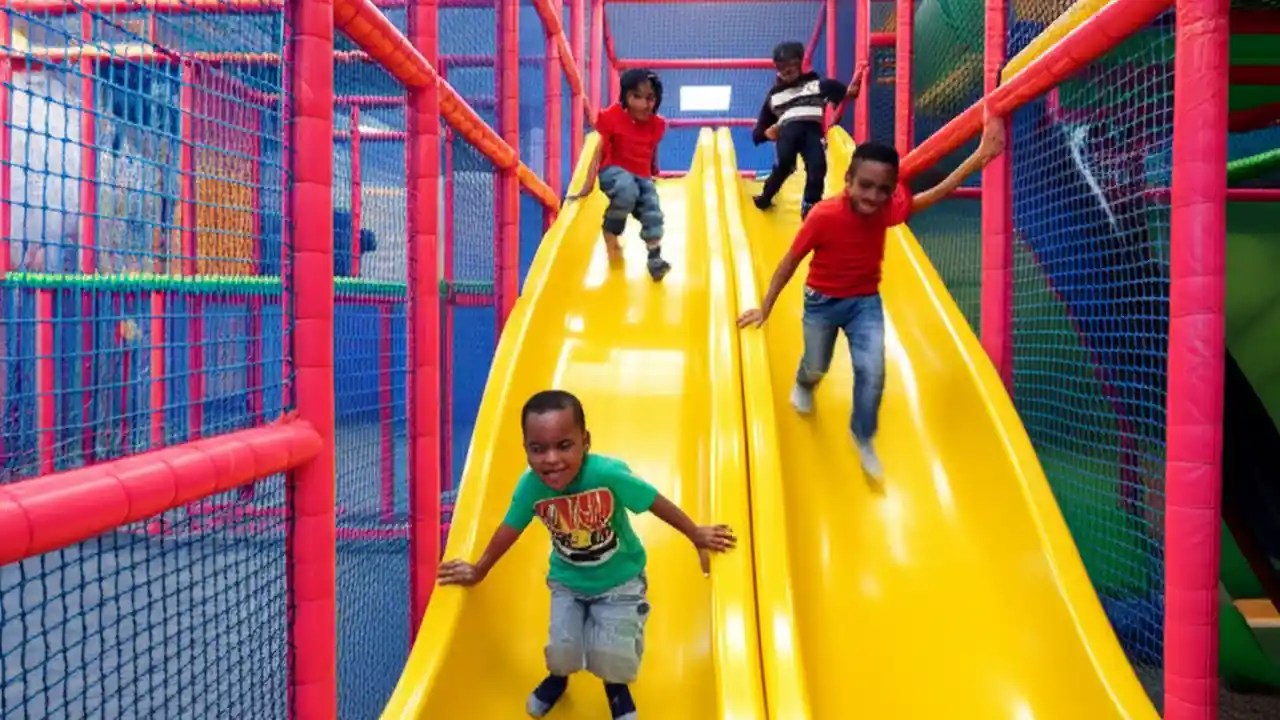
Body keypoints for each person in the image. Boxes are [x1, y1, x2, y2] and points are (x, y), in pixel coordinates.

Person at [737, 109, 1006, 481]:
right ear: (847, 180)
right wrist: (765, 305)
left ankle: (862, 435)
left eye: (883, 189)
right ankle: (804, 380)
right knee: (817, 363)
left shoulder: (886, 209)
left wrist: (978, 158)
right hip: (822, 301)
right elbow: (790, 261)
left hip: (865, 303)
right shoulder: (823, 217)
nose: (873, 196)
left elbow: (934, 194)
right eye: (865, 185)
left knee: (873, 370)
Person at [437, 389, 737, 719]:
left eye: (564, 445)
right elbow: (509, 529)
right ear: (526, 450)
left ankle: (616, 688)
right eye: (538, 449)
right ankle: (558, 679)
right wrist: (479, 569)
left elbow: (653, 501)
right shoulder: (531, 488)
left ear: (585, 442)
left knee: (613, 654)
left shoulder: (606, 476)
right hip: (568, 581)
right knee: (562, 650)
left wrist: (696, 534)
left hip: (620, 581)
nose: (551, 459)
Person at [567, 68, 671, 281]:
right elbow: (598, 151)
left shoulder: (656, 124)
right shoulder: (612, 116)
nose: (643, 104)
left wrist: (654, 172)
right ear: (625, 96)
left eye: (650, 98)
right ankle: (611, 226)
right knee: (626, 189)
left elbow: (652, 148)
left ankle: (654, 258)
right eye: (636, 97)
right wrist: (587, 185)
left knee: (652, 209)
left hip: (641, 174)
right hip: (613, 170)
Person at [751, 42, 863, 219]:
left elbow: (843, 93)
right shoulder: (775, 95)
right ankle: (766, 196)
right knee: (784, 163)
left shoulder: (817, 85)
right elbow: (759, 129)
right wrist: (766, 134)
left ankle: (810, 205)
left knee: (818, 166)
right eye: (781, 69)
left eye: (791, 68)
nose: (786, 73)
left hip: (811, 132)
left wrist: (851, 91)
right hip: (788, 133)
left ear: (801, 64)